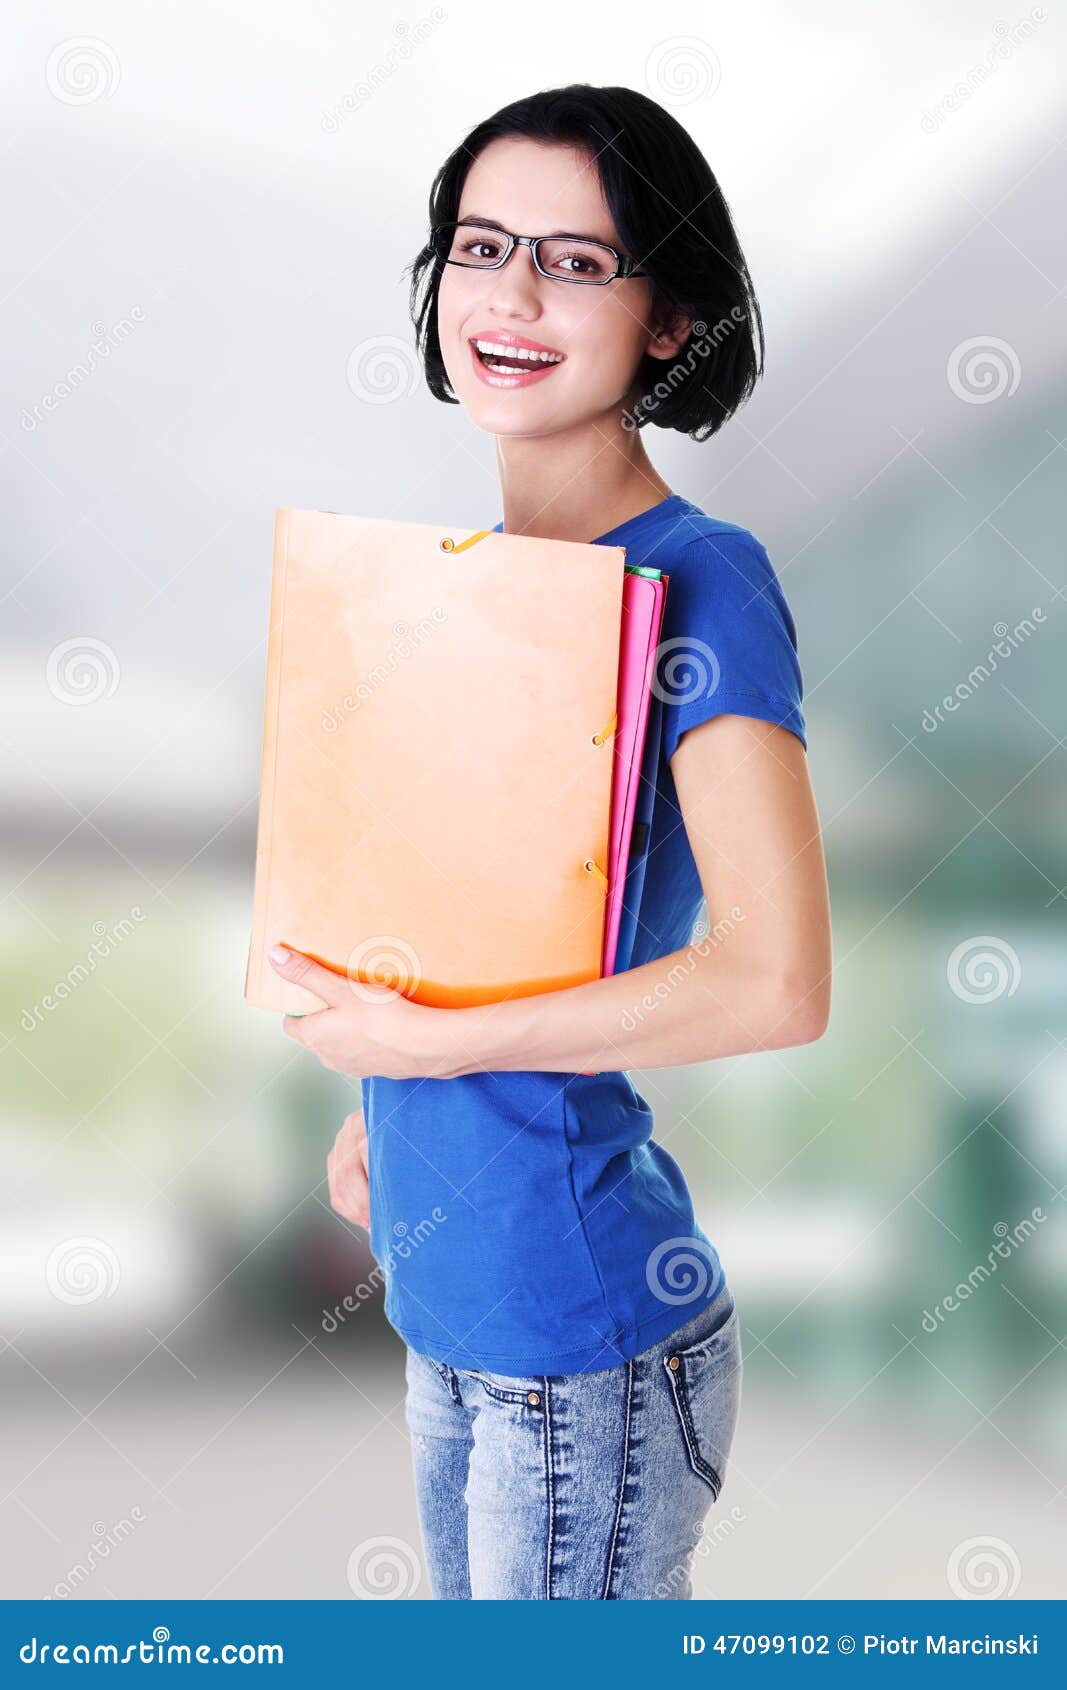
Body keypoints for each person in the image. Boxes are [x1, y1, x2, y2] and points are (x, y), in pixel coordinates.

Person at [267, 83, 832, 1600]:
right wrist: (383, 1091)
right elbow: (478, 932)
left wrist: (432, 1053)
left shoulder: (701, 580)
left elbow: (777, 979)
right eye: (481, 245)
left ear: (669, 318)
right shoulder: (482, 588)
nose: (510, 295)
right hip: (457, 1318)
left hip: (576, 1339)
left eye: (577, 262)